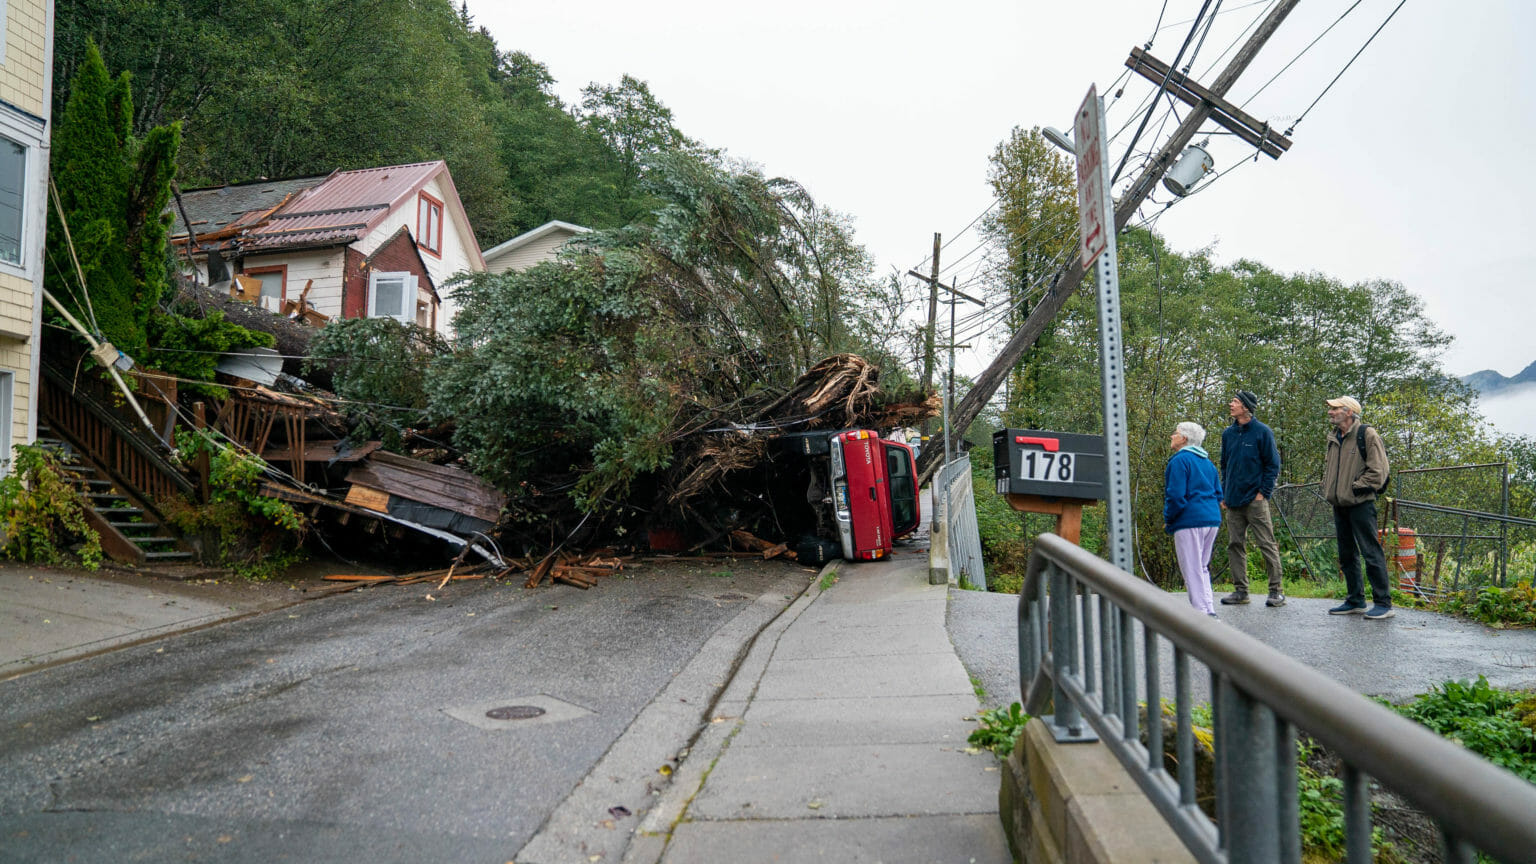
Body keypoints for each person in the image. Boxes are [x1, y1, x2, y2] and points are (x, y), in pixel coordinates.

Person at [1322, 396, 1394, 619]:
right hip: (1339, 503)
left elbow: (1378, 471)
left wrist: (1354, 488)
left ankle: (1383, 603)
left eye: (1335, 409)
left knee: (1370, 552)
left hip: (1360, 503)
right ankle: (1356, 600)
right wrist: (1330, 487)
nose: (1330, 412)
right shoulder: (1334, 437)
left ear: (1349, 412)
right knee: (1346, 554)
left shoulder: (1367, 435)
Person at [1219, 390, 1285, 606]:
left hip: (1255, 501)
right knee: (1235, 545)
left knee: (1266, 544)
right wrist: (1224, 492)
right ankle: (1241, 591)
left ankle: (1276, 591)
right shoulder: (1228, 434)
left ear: (1246, 407)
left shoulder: (1262, 432)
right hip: (1233, 501)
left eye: (1235, 401)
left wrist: (1262, 494)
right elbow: (1225, 466)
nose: (1231, 404)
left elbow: (1273, 465)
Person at [1164, 421, 1223, 617]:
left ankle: (1201, 615)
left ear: (1184, 439)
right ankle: (1209, 609)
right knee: (1202, 567)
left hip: (1190, 521)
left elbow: (1176, 496)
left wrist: (1169, 519)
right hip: (1211, 519)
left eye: (1176, 433)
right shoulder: (1208, 463)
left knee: (1191, 569)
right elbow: (1218, 493)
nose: (1172, 436)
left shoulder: (1179, 461)